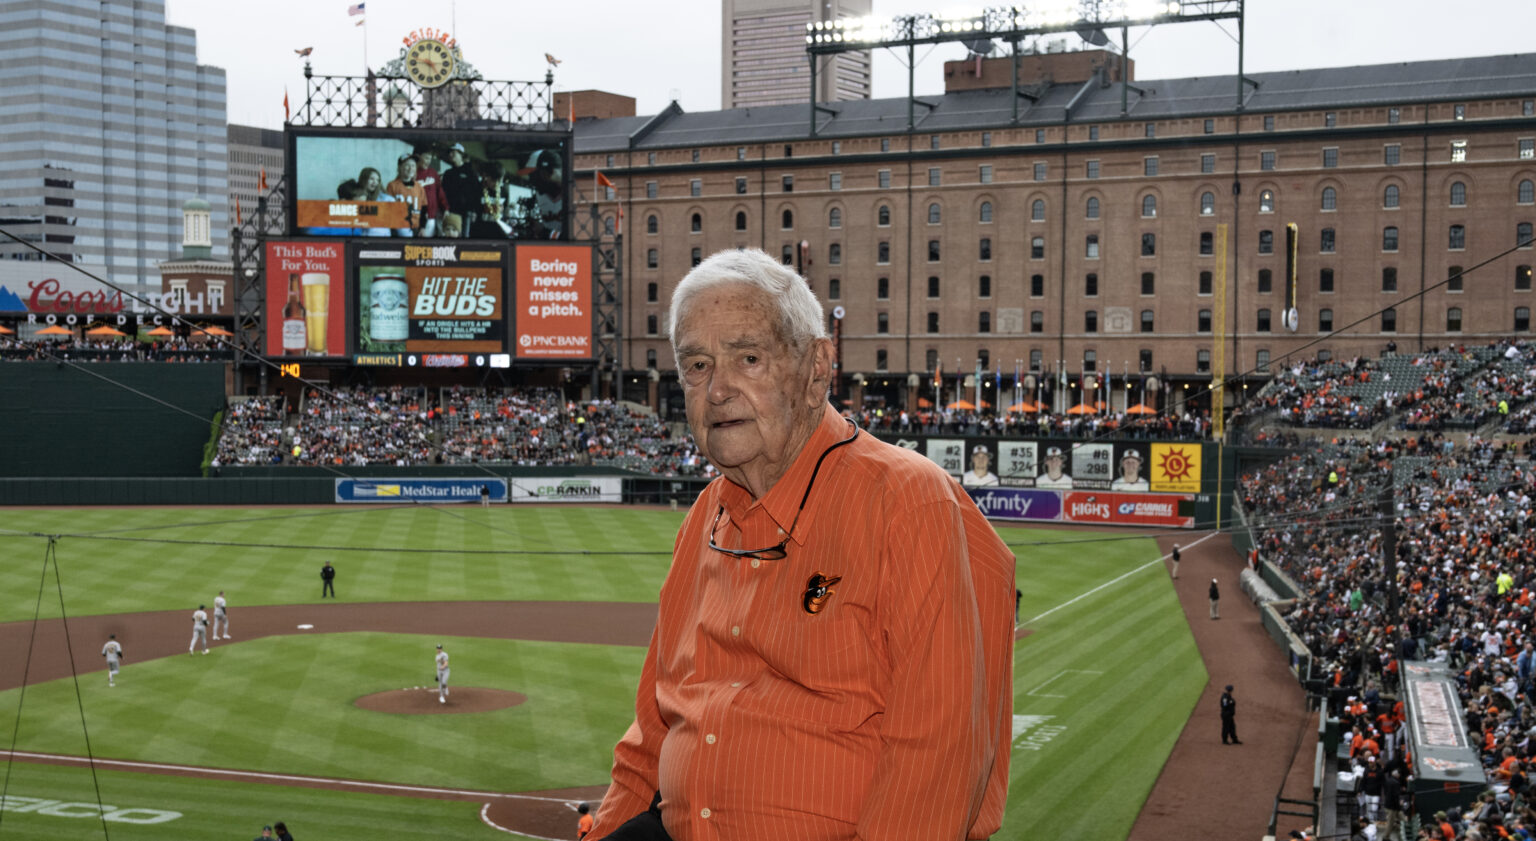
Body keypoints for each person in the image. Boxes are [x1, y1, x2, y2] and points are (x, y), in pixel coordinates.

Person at [589, 248, 1014, 841]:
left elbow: (936, 761)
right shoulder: (703, 519)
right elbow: (652, 732)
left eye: (749, 359)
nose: (717, 391)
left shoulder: (908, 502)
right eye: (697, 366)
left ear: (817, 369)